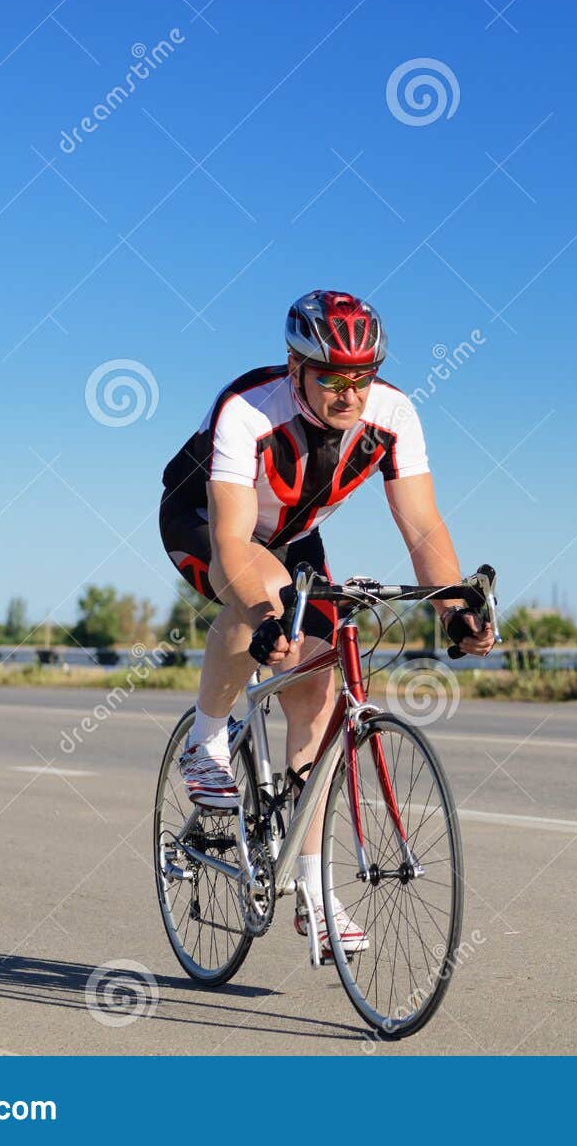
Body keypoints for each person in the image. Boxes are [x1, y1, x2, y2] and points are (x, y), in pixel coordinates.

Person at [158, 289, 495, 958]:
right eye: (333, 379)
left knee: (316, 681)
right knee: (267, 595)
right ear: (295, 367)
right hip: (204, 520)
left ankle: (314, 895)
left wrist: (456, 609)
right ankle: (205, 739)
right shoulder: (246, 410)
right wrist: (261, 614)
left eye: (362, 378)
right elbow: (232, 544)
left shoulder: (395, 414)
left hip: (294, 532)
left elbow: (423, 528)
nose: (350, 394)